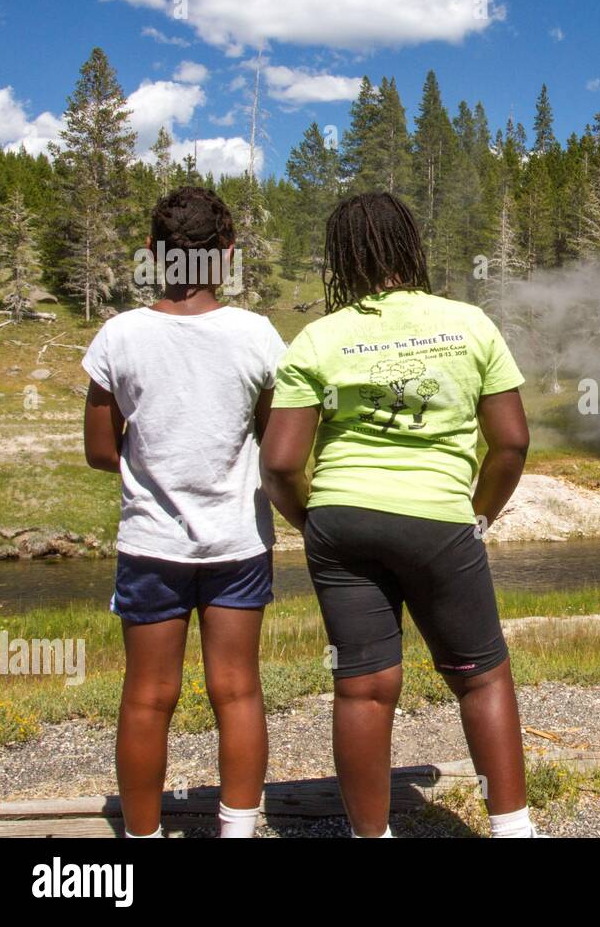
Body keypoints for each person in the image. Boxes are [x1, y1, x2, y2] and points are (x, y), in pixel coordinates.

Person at [260, 191, 535, 838]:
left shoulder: (318, 339)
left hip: (341, 519)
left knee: (362, 687)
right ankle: (515, 831)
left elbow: (278, 463)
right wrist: (479, 517)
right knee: (479, 677)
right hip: (439, 518)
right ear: (411, 249)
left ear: (342, 259)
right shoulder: (469, 325)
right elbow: (513, 442)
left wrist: (316, 523)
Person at [83, 186, 284, 838]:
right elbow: (272, 442)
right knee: (238, 691)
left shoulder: (120, 337)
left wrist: (153, 471)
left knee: (147, 697)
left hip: (150, 546)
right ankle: (236, 832)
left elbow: (97, 449)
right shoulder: (257, 336)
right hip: (237, 544)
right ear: (227, 256)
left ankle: (140, 838)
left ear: (152, 254)